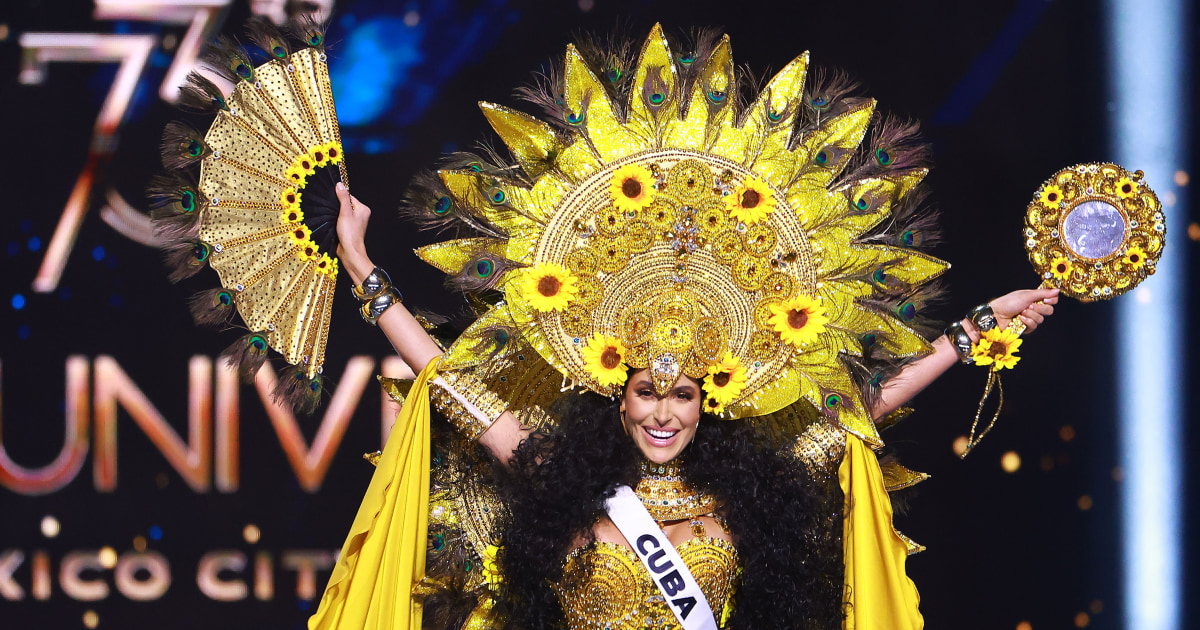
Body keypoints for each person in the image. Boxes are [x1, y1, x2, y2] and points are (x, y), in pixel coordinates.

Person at [305, 25, 1058, 630]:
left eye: (682, 397)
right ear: (619, 394)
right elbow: (450, 380)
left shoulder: (746, 494)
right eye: (648, 392)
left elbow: (867, 409)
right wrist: (361, 265)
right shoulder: (555, 475)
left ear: (709, 400)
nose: (664, 412)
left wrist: (974, 330)